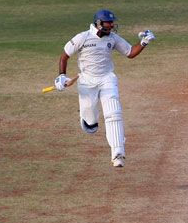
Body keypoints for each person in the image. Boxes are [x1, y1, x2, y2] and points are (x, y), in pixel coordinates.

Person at [54, 9, 156, 168]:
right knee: (91, 124)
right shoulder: (83, 37)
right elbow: (64, 56)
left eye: (112, 22)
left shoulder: (113, 38)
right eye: (109, 23)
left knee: (113, 113)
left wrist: (144, 42)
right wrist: (61, 76)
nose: (112, 25)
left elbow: (130, 52)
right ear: (99, 23)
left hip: (107, 78)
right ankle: (87, 119)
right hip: (87, 81)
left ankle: (118, 154)